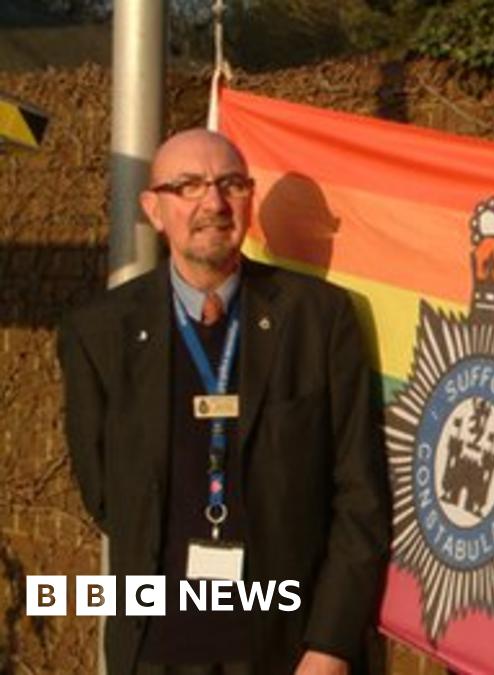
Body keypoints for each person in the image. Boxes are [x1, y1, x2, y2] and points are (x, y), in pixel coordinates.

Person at [57, 129, 389, 675]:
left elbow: (361, 497)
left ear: (248, 199)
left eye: (230, 184)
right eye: (187, 186)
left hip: (288, 652)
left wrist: (330, 644)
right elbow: (106, 492)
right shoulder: (98, 333)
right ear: (154, 210)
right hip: (155, 651)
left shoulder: (319, 320)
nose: (212, 203)